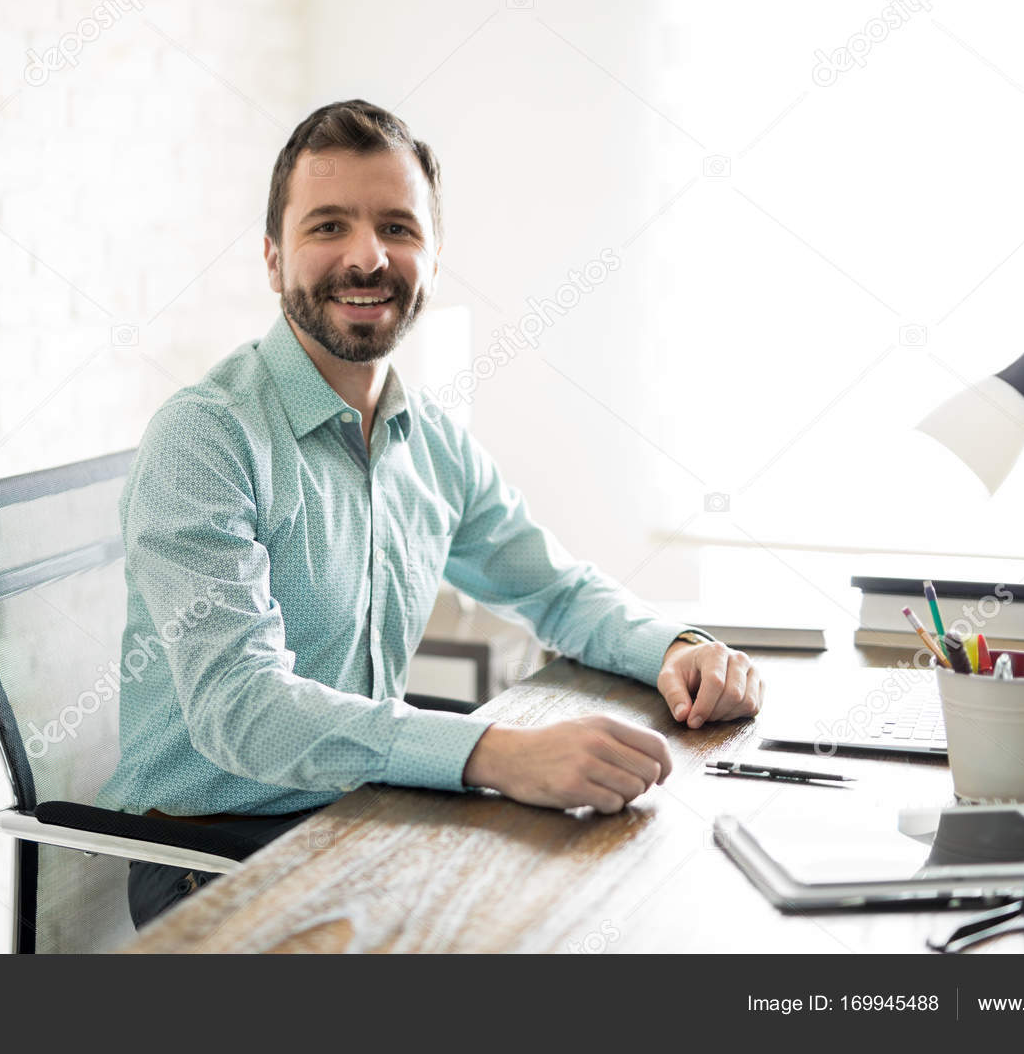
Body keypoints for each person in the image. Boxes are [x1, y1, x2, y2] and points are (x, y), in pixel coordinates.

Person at [98, 99, 765, 928]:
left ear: (435, 260)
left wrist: (679, 648)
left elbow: (556, 592)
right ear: (273, 260)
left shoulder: (432, 442)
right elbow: (244, 709)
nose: (367, 256)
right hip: (210, 864)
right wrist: (499, 754)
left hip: (361, 821)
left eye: (398, 228)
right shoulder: (207, 436)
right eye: (328, 226)